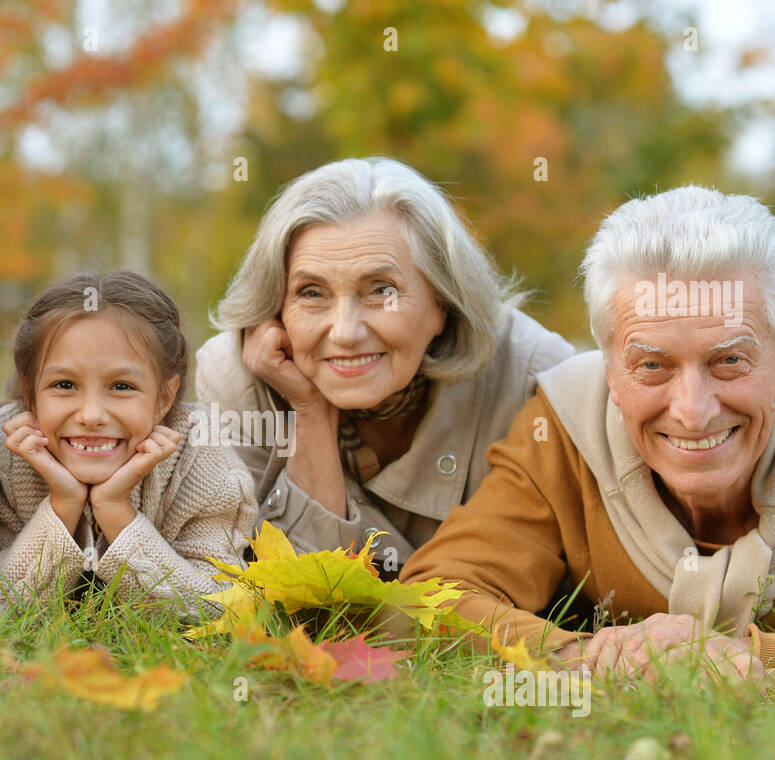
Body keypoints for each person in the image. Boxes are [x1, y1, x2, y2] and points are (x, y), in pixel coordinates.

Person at [402, 185, 775, 680]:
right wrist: (585, 657)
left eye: (729, 361)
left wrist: (752, 660)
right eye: (652, 365)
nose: (693, 412)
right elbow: (435, 596)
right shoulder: (565, 424)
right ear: (610, 372)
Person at [195, 157, 574, 570]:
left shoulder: (532, 374)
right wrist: (309, 413)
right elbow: (282, 592)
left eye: (381, 290)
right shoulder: (237, 382)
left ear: (443, 301)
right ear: (276, 308)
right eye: (311, 293)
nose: (345, 331)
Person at [0, 269, 257, 619]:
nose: (92, 415)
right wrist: (63, 505)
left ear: (164, 396)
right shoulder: (1, 455)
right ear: (29, 392)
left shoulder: (202, 457)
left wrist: (116, 511)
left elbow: (217, 610)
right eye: (65, 385)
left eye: (122, 386)